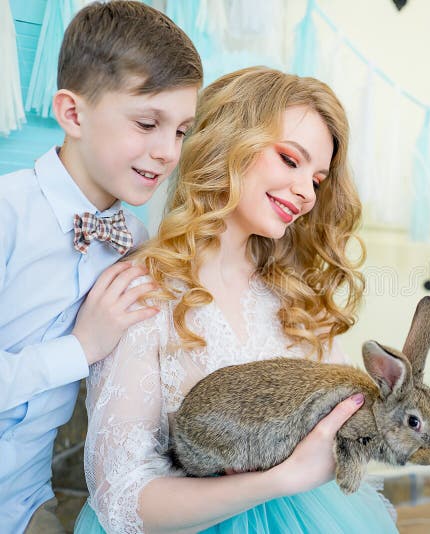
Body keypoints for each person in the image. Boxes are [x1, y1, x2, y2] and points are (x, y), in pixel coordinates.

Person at [72, 66, 399, 534]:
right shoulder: (143, 290)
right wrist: (278, 479)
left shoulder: (297, 298)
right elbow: (121, 502)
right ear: (228, 142)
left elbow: (344, 428)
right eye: (290, 160)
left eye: (319, 180)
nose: (306, 193)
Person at [0, 2, 202, 532]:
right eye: (146, 123)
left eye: (181, 131)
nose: (166, 153)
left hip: (26, 502)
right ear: (73, 114)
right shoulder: (7, 215)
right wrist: (81, 348)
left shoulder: (134, 242)